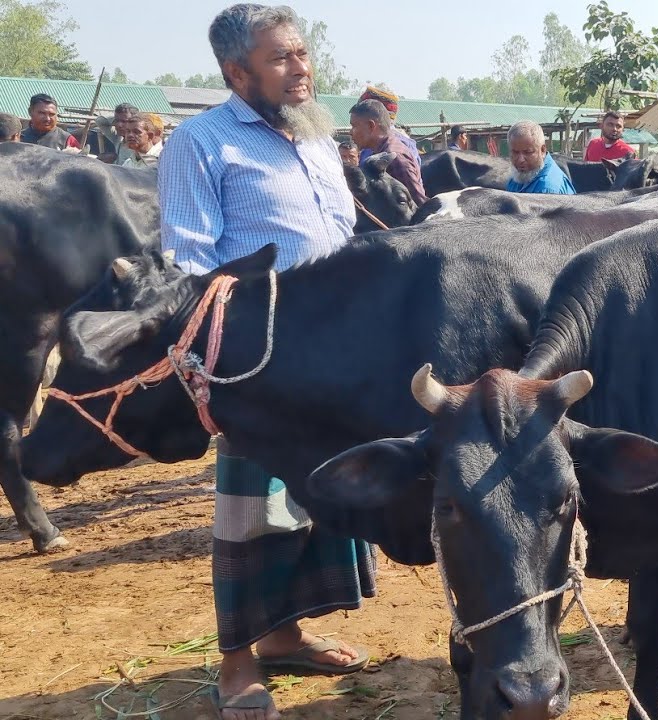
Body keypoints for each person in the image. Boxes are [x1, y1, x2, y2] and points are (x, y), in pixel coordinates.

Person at [159, 5, 374, 719]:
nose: (300, 68)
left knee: (315, 502)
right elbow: (189, 264)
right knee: (249, 516)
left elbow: (339, 234)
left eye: (302, 53)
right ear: (236, 71)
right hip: (257, 362)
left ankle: (283, 639)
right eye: (280, 58)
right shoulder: (200, 142)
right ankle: (236, 661)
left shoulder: (317, 137)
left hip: (337, 352)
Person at [349, 99, 427, 205]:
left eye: (354, 126)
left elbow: (417, 203)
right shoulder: (378, 153)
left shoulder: (395, 158)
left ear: (371, 126)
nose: (350, 132)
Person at [506, 120, 575, 194]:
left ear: (542, 150)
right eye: (515, 152)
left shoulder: (547, 190)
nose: (520, 160)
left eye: (527, 152)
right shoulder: (517, 177)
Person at [356, 85, 418, 163]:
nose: (351, 132)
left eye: (356, 125)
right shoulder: (370, 145)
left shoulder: (394, 148)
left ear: (372, 123)